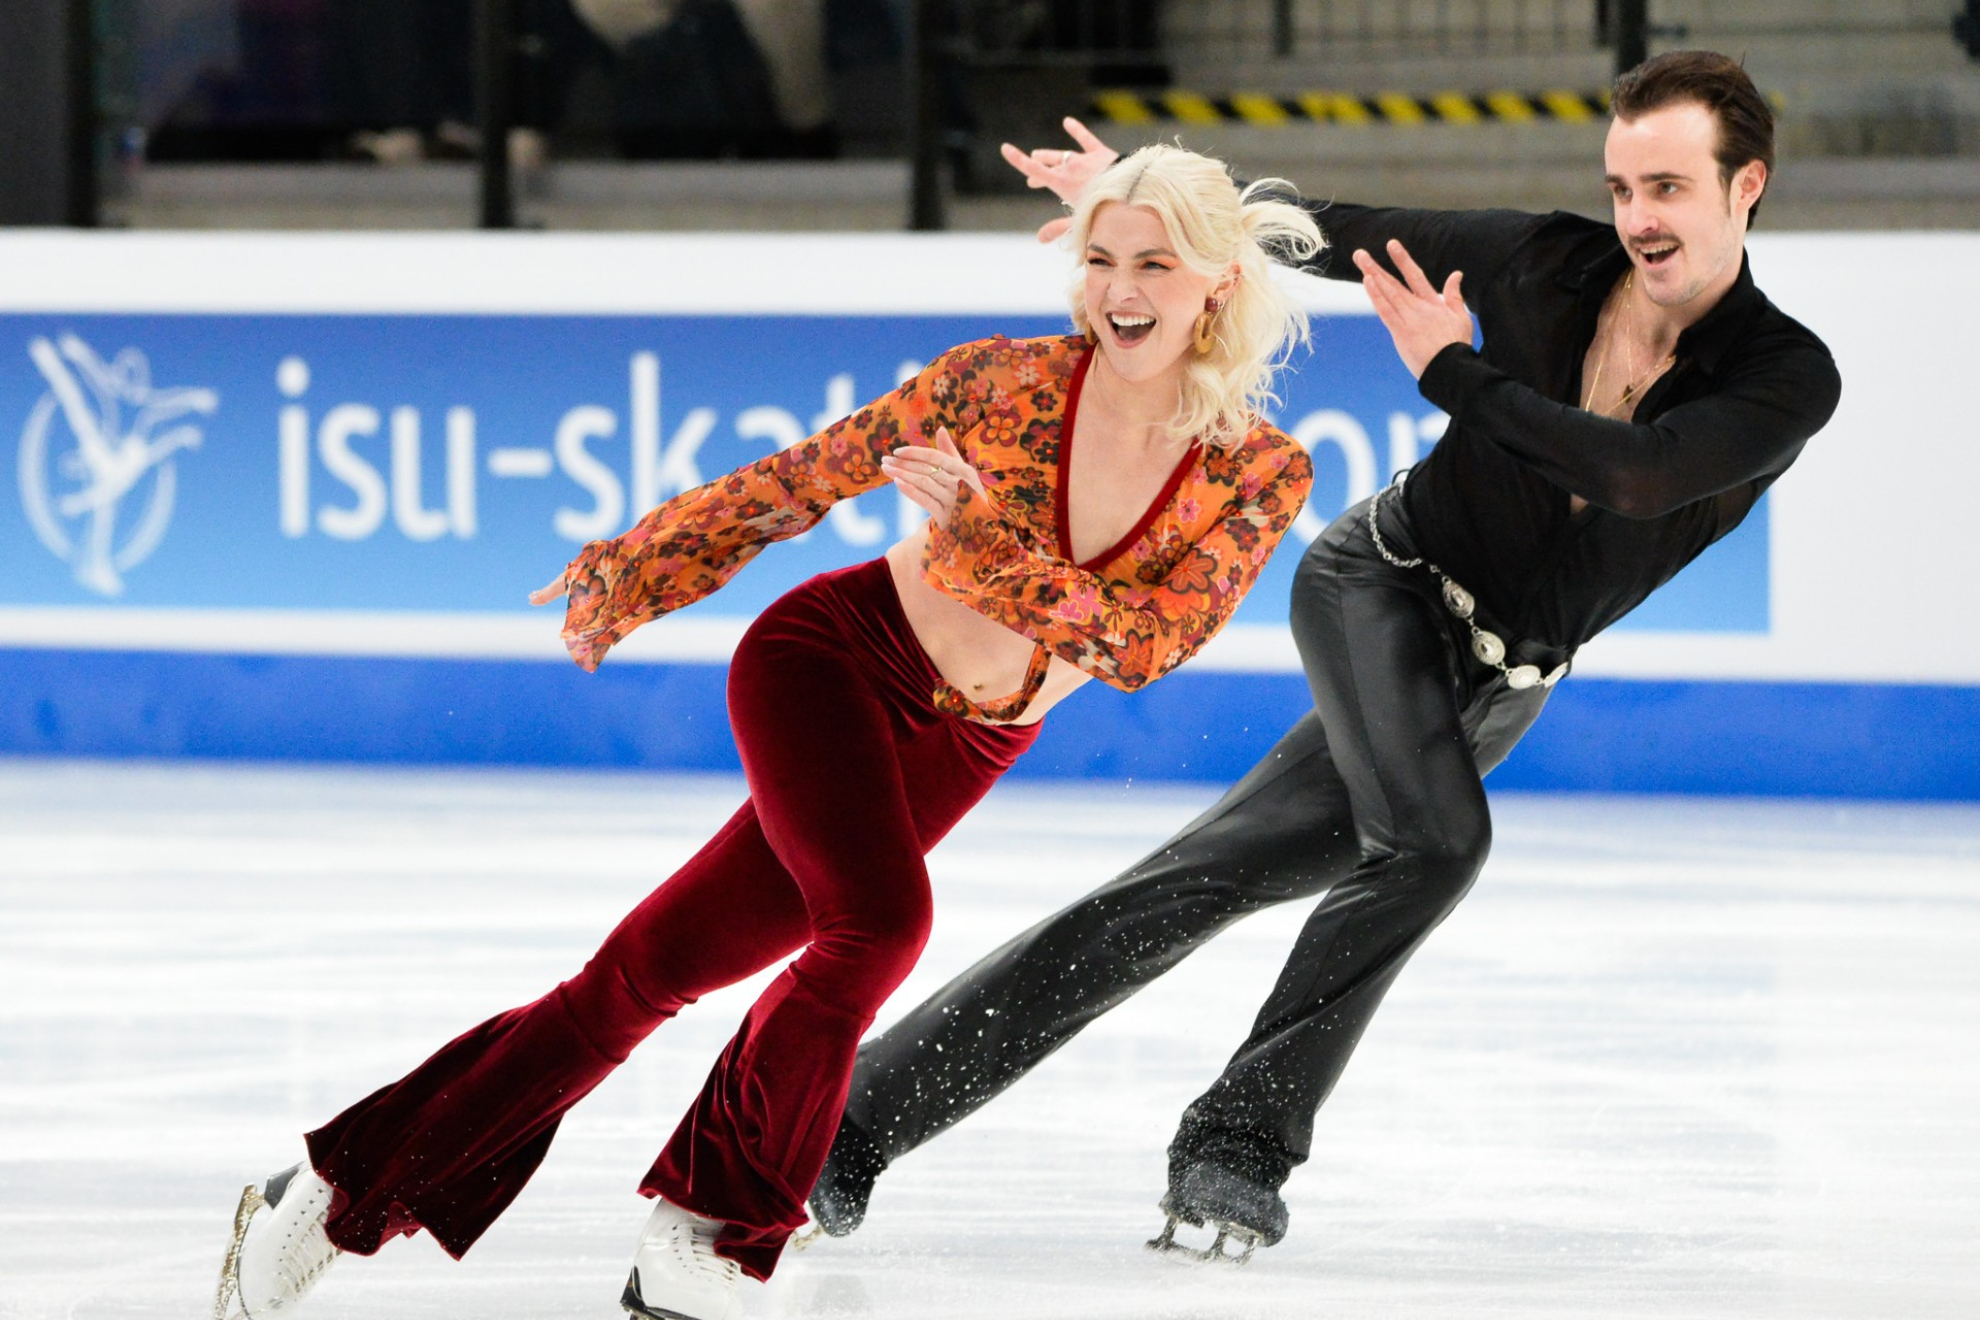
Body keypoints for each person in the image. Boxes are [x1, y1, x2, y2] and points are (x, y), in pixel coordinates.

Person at [211, 143, 1322, 1320]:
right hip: (834, 664)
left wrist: (989, 547)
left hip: (969, 741)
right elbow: (810, 475)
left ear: (1218, 283)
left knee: (635, 983)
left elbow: (1143, 648)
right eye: (1100, 258)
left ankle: (331, 1192)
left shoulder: (1256, 471)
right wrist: (643, 564)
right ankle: (709, 1233)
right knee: (880, 924)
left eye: (1153, 261)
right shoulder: (1000, 383)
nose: (1119, 287)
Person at [808, 50, 1844, 1263]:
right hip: (1383, 587)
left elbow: (1637, 473)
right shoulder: (1543, 261)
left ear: (1746, 185)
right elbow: (1328, 230)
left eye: (1666, 187)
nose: (1637, 219)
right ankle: (1238, 1147)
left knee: (1192, 885)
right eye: (1622, 187)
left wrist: (1453, 373)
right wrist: (1161, 208)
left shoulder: (1785, 375)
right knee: (1439, 846)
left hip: (1503, 683)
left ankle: (852, 1116)